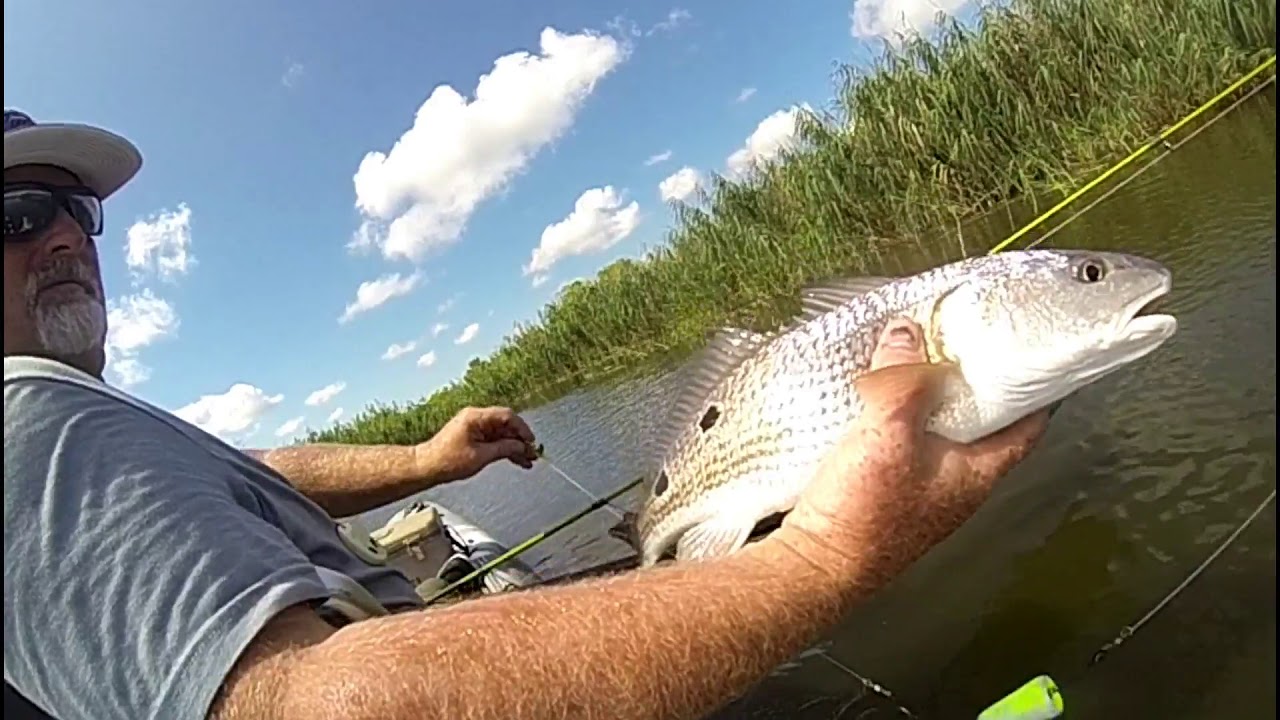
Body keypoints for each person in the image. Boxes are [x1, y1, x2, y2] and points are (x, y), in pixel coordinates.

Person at [3, 109, 1050, 720]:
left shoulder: (84, 429)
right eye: (18, 213)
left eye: (76, 209)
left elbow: (247, 468)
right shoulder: (31, 434)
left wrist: (426, 458)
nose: (63, 237)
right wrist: (825, 554)